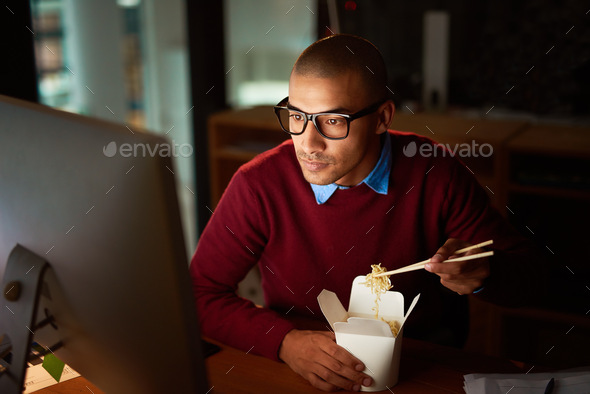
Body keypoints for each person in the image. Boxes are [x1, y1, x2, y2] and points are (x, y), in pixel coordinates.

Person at [190, 34, 545, 392]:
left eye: (332, 121)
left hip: (416, 366)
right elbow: (200, 294)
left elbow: (529, 278)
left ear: (381, 117)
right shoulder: (260, 183)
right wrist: (285, 342)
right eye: (297, 116)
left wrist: (485, 274)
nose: (308, 144)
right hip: (304, 363)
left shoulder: (433, 172)